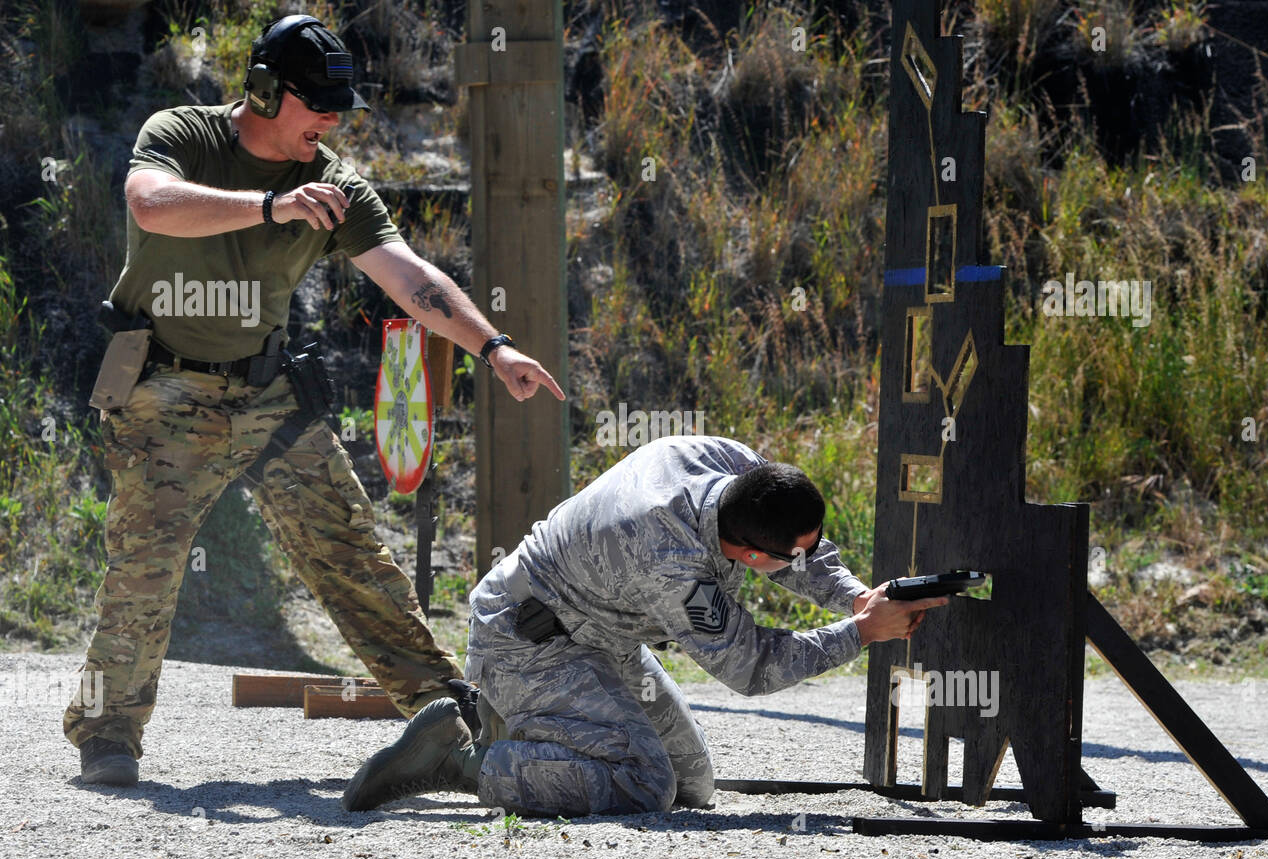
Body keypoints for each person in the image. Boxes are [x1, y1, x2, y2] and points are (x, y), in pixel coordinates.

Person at [65, 14, 564, 787]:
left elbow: (411, 279)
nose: (331, 124)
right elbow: (151, 205)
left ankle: (447, 717)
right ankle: (108, 734)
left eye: (340, 108)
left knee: (351, 552)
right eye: (318, 106)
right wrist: (273, 207)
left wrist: (494, 348)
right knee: (146, 566)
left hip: (266, 392)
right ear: (264, 90)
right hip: (163, 386)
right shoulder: (184, 133)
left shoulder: (335, 182)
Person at [342, 435, 948, 816]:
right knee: (644, 784)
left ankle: (508, 720)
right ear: (753, 556)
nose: (802, 561)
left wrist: (856, 597)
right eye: (786, 558)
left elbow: (797, 551)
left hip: (598, 634)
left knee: (693, 785)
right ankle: (465, 760)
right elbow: (751, 666)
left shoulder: (733, 468)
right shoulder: (672, 561)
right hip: (527, 643)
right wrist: (864, 633)